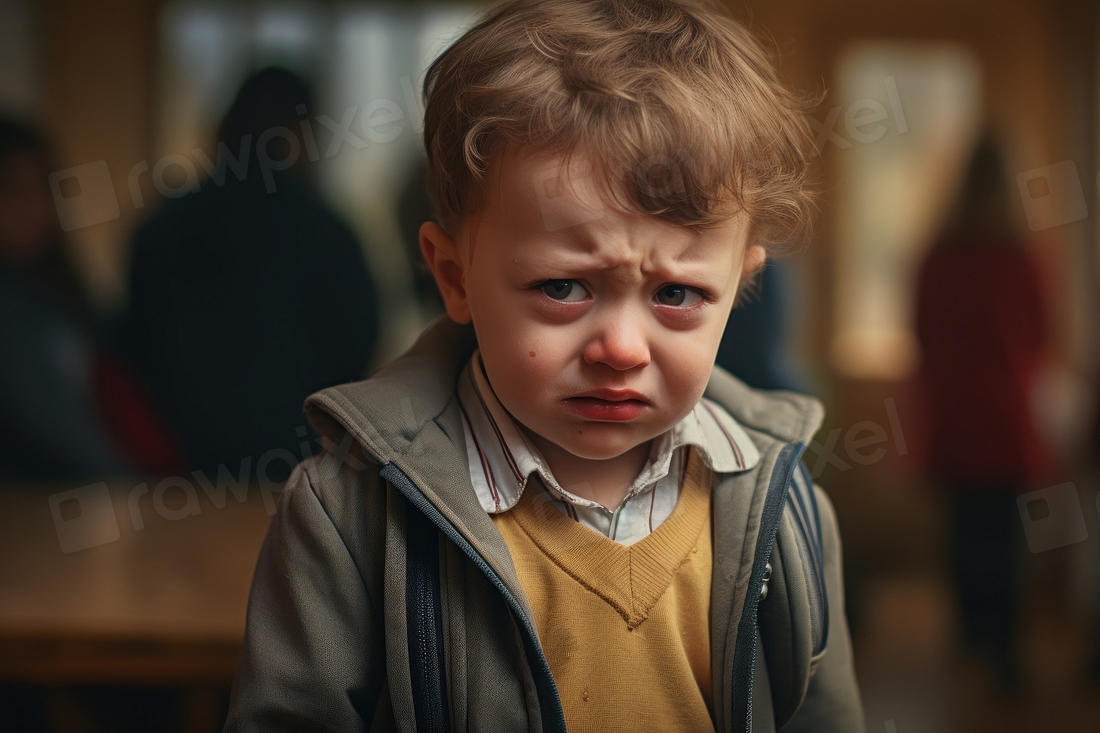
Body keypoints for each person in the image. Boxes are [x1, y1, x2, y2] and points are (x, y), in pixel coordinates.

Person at [226, 2, 865, 731]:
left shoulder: (787, 510)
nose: (621, 348)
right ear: (454, 276)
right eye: (563, 287)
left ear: (739, 287)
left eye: (677, 294)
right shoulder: (351, 515)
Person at [120, 67, 380, 481]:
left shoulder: (163, 228)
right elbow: (357, 345)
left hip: (176, 469)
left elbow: (136, 346)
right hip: (295, 465)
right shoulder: (325, 233)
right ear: (300, 133)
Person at [914, 135, 1049, 692]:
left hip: (954, 415)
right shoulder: (1023, 258)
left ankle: (970, 635)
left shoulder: (938, 257)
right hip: (1006, 417)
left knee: (963, 531)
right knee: (1007, 539)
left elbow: (921, 334)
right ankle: (1004, 651)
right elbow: (1043, 337)